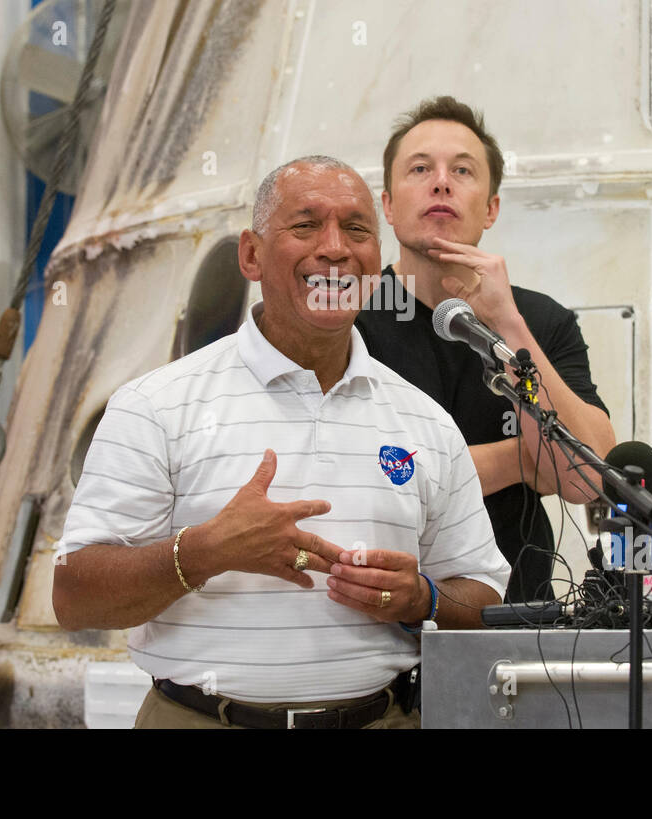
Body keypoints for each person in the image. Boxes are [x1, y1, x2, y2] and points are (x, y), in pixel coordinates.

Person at [52, 155, 510, 729]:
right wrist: (207, 551)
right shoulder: (155, 406)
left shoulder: (426, 423)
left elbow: (487, 597)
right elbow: (74, 599)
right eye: (304, 225)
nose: (335, 248)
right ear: (251, 254)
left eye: (357, 229)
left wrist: (423, 600)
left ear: (378, 261)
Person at [356, 97, 617, 604]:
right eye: (419, 168)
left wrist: (507, 324)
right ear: (387, 205)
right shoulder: (350, 323)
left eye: (462, 170)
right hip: (382, 613)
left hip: (519, 615)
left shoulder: (540, 321)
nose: (441, 182)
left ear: (491, 208)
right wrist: (524, 459)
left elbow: (588, 477)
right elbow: (365, 478)